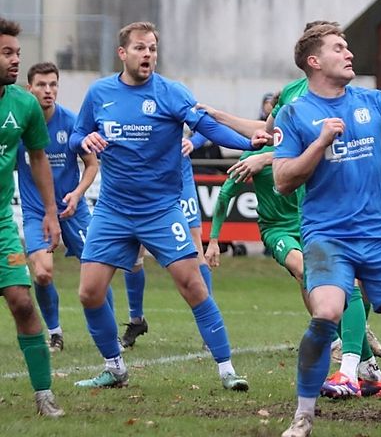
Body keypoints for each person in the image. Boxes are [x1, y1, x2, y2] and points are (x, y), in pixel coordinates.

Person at [272, 21, 381, 437]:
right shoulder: (294, 113)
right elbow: (282, 180)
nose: (348, 53)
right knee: (327, 313)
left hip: (379, 236)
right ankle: (303, 418)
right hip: (327, 237)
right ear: (314, 61)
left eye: (348, 46)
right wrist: (319, 144)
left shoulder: (373, 100)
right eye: (338, 48)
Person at [70, 21, 267, 391]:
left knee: (193, 284)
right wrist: (85, 140)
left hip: (160, 210)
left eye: (152, 49)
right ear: (122, 53)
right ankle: (114, 368)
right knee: (89, 292)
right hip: (113, 210)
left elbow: (206, 125)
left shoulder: (171, 92)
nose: (148, 54)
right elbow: (78, 134)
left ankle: (227, 370)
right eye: (140, 48)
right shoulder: (99, 93)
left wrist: (247, 143)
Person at [206, 143, 381, 399]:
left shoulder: (303, 147)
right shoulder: (253, 155)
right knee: (308, 272)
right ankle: (341, 342)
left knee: (348, 282)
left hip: (311, 225)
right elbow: (225, 194)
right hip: (277, 230)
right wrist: (213, 239)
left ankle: (367, 367)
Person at [0, 18, 65, 417]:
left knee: (23, 302)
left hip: (1, 226)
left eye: (17, 53)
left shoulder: (24, 105)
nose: (15, 60)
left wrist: (51, 213)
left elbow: (38, 157)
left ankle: (44, 396)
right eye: (6, 52)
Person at [16, 62, 101, 353]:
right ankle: (55, 333)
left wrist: (77, 193)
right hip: (36, 211)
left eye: (53, 84)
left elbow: (92, 165)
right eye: (41, 85)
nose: (48, 90)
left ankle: (109, 335)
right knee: (42, 273)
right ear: (30, 88)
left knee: (96, 269)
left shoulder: (71, 122)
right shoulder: (18, 126)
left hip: (72, 208)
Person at [119, 132, 215, 350]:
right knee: (132, 253)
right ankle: (136, 320)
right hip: (145, 179)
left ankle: (210, 329)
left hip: (179, 177)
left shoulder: (177, 107)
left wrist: (193, 141)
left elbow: (208, 123)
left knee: (195, 247)